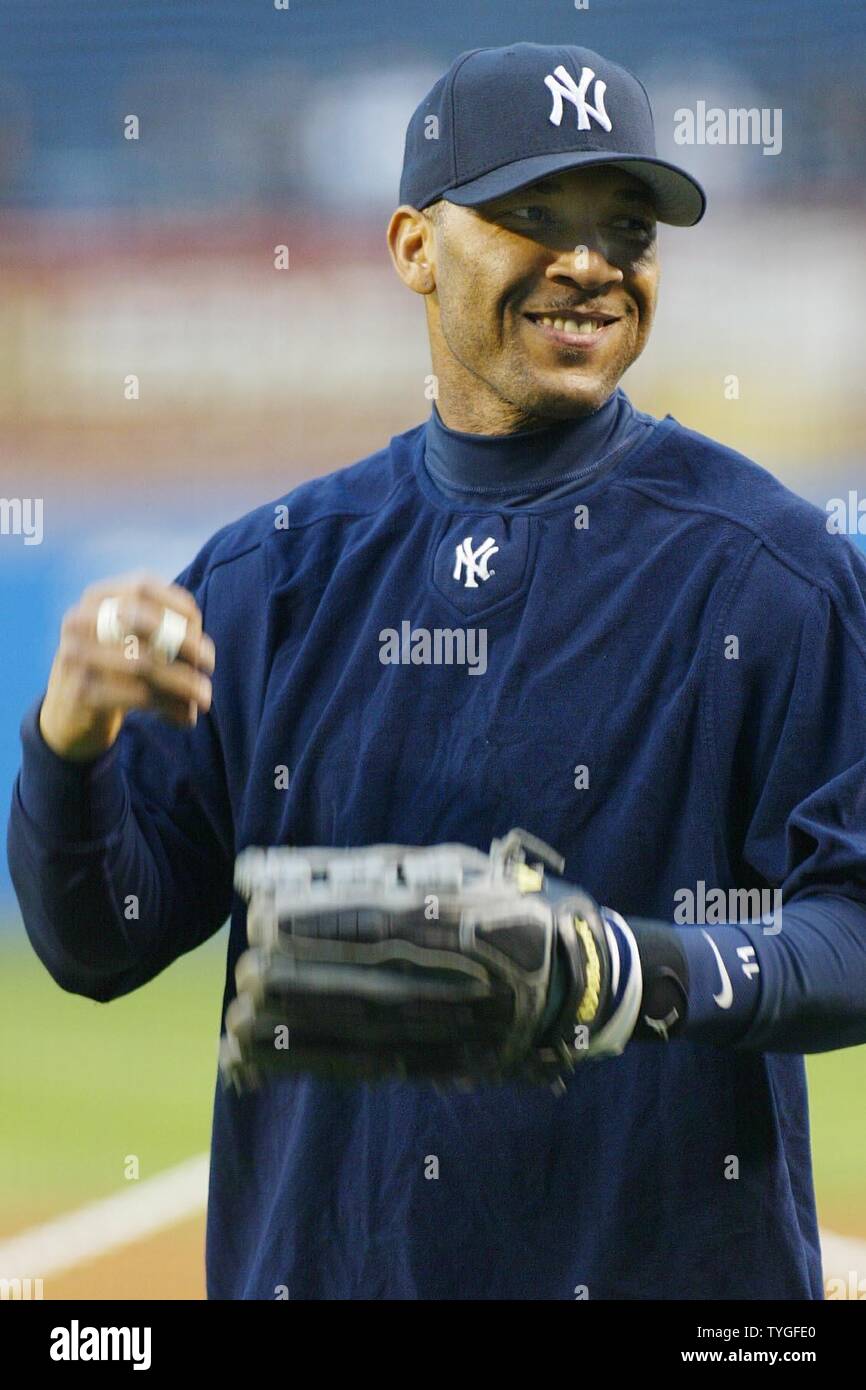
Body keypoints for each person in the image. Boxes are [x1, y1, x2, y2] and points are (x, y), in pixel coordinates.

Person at [9, 42, 866, 1300]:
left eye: (626, 228)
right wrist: (67, 749)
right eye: (535, 215)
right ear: (413, 245)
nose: (589, 262)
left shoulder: (769, 571)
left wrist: (620, 971)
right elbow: (98, 943)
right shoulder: (270, 578)